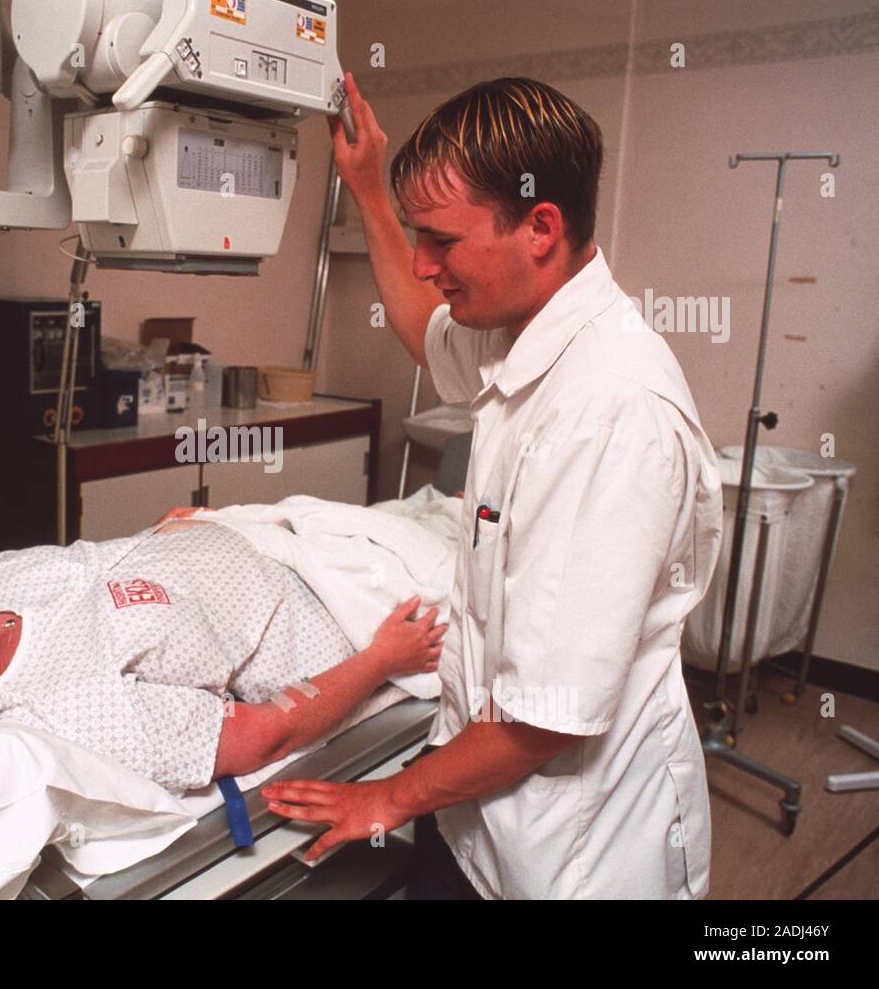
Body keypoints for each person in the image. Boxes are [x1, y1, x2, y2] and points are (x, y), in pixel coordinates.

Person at [262, 75, 723, 899]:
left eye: (440, 239)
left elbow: (545, 718)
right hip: (479, 816)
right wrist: (367, 185)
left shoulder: (609, 413)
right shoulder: (519, 327)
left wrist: (387, 796)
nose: (421, 263)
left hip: (573, 855)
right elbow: (421, 329)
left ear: (540, 226)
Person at [0, 512, 444, 801]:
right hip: (336, 606)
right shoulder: (73, 709)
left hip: (266, 526)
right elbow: (267, 732)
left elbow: (87, 570)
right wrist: (384, 656)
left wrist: (157, 538)